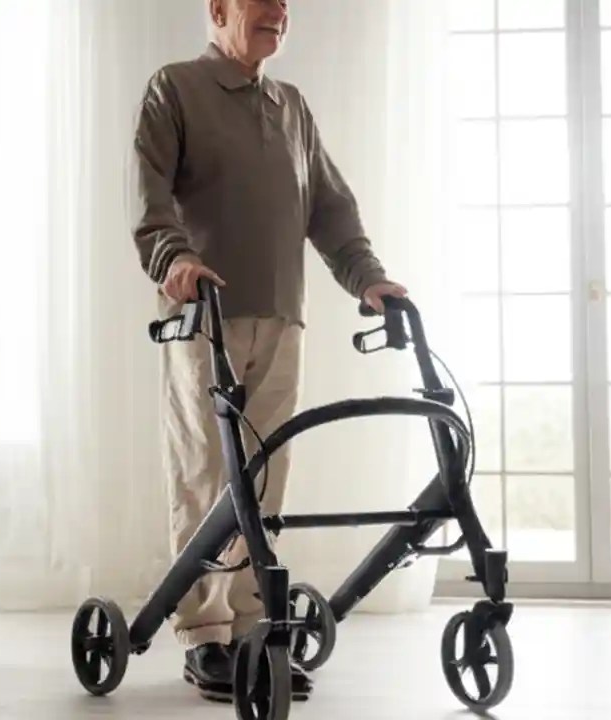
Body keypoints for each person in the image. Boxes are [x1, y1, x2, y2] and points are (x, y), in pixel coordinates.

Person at [131, 0, 407, 704]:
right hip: (203, 317)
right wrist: (174, 259)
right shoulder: (175, 89)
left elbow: (331, 209)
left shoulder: (292, 107)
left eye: (286, 2)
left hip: (283, 316)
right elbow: (150, 200)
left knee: (264, 484)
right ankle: (206, 634)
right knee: (204, 474)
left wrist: (367, 277)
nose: (279, 10)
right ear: (219, 9)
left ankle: (254, 630)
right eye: (263, 0)